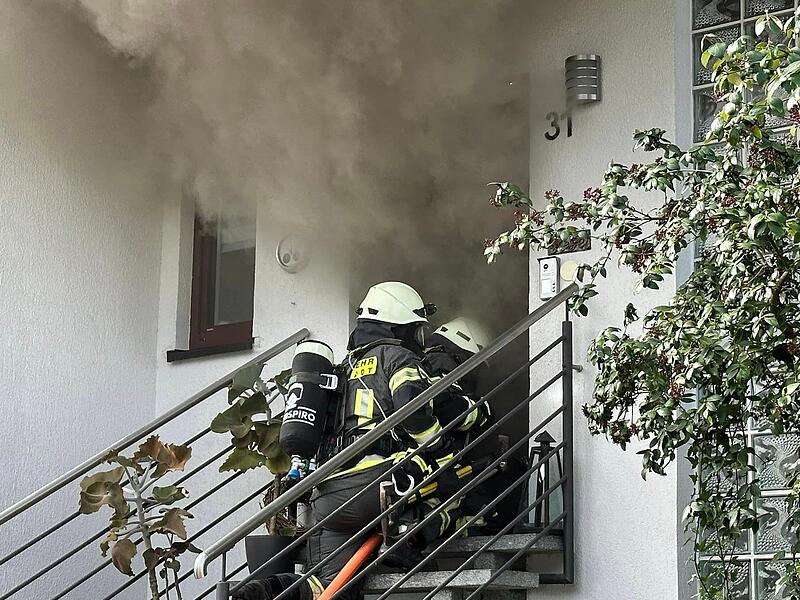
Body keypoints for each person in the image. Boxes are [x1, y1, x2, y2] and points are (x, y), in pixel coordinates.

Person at [233, 282, 448, 600]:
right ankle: (407, 532)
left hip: (330, 497)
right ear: (399, 324)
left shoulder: (341, 369)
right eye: (416, 329)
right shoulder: (397, 356)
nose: (419, 338)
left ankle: (262, 591)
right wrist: (437, 441)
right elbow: (413, 411)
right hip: (376, 487)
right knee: (451, 467)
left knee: (327, 586)